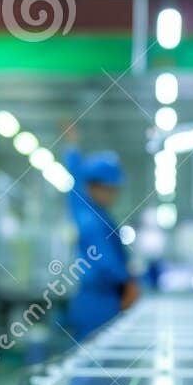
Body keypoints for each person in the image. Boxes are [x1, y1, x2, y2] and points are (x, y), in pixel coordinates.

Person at [61, 138, 138, 343]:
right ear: (97, 188)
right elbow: (107, 263)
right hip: (101, 302)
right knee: (97, 365)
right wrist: (127, 283)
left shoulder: (90, 211)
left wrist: (72, 148)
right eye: (111, 189)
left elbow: (75, 187)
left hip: (94, 300)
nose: (115, 195)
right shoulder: (93, 221)